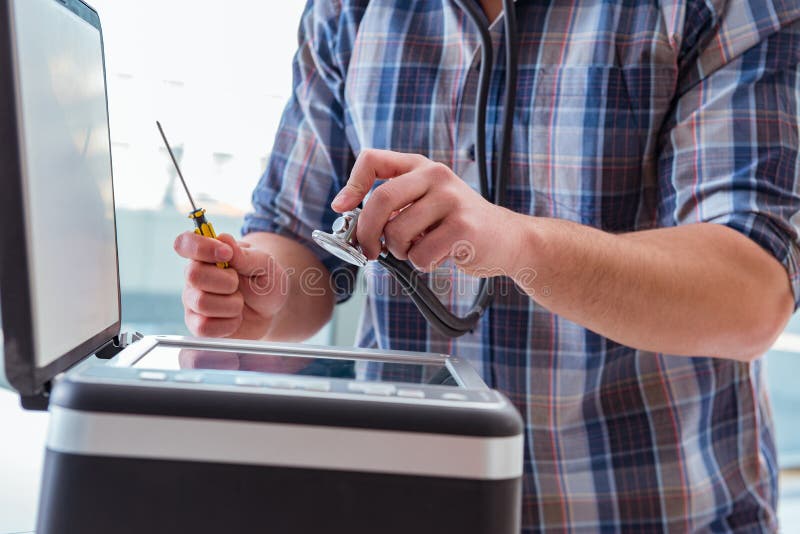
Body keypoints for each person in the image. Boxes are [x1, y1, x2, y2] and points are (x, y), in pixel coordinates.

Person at [174, 0, 800, 530]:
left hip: (655, 512)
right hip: (406, 506)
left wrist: (518, 243)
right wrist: (263, 293)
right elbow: (295, 241)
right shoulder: (347, 10)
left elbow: (751, 293)